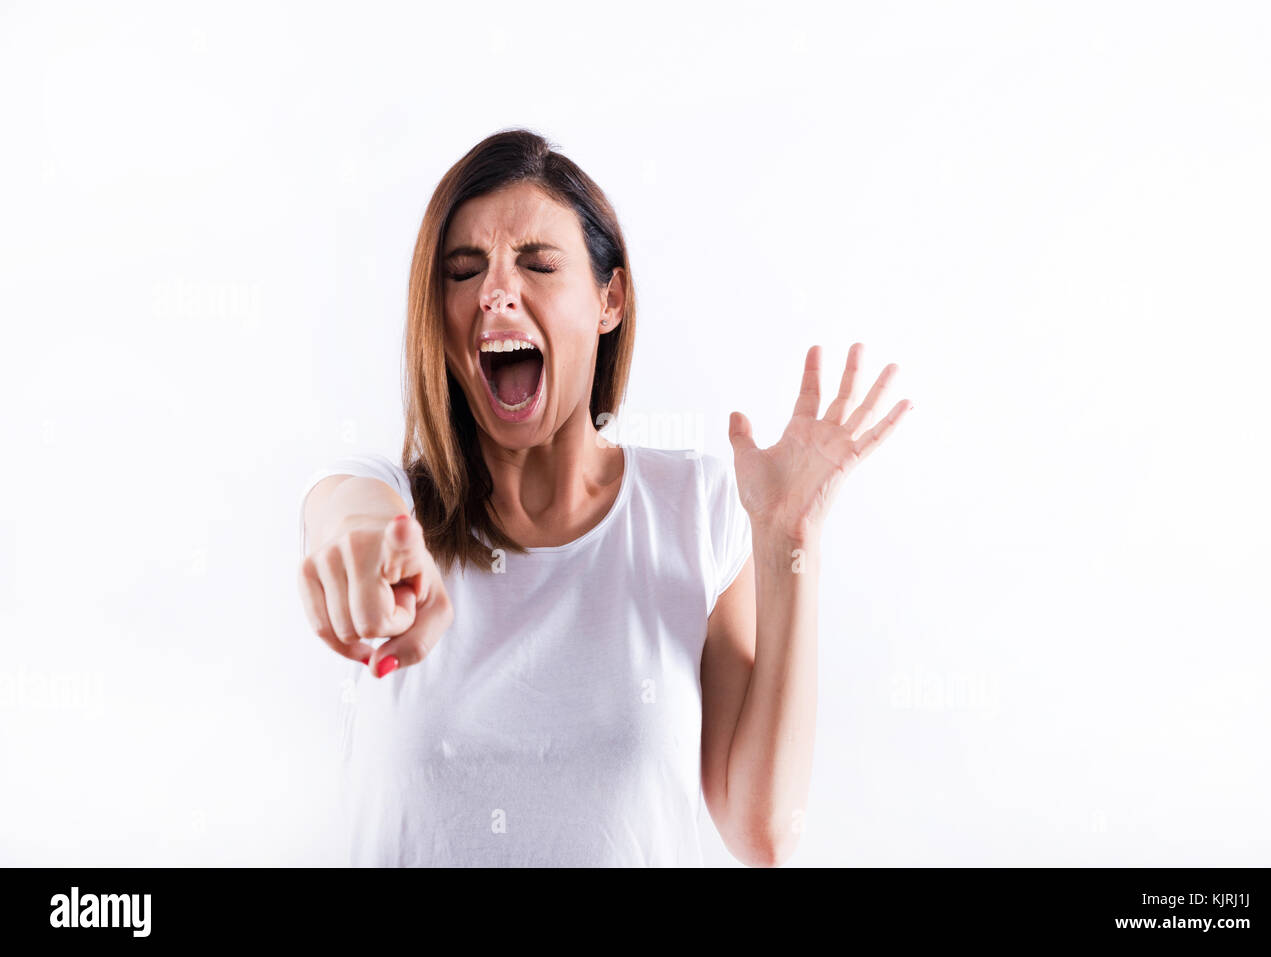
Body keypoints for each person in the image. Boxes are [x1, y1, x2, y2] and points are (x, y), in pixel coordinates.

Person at [297, 128, 912, 867]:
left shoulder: (696, 511)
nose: (494, 290)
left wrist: (788, 540)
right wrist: (366, 556)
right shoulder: (390, 499)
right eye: (463, 270)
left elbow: (763, 830)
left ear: (609, 299)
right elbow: (346, 519)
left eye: (538, 263)